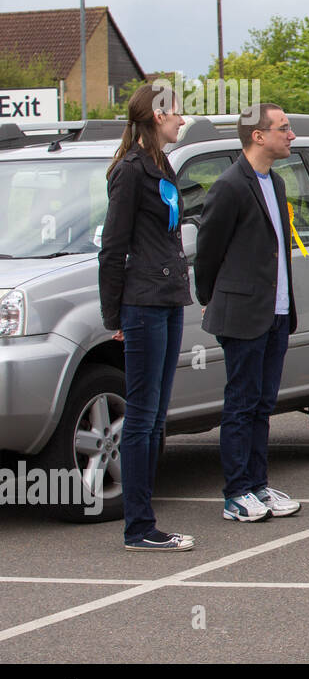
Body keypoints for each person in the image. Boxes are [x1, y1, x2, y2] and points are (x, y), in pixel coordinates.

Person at [99, 83, 195, 551]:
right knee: (141, 416)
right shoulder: (130, 171)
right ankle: (138, 527)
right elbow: (112, 248)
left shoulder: (163, 165)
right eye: (177, 113)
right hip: (142, 303)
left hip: (168, 297)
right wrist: (113, 313)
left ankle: (145, 518)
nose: (182, 120)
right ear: (157, 116)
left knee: (157, 416)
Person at [195, 103, 301, 522]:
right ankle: (236, 492)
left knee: (262, 403)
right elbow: (208, 252)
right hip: (242, 314)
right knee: (240, 404)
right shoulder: (229, 186)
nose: (290, 136)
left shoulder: (274, 184)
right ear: (258, 136)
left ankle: (258, 485)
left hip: (276, 312)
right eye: (284, 128)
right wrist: (211, 296)